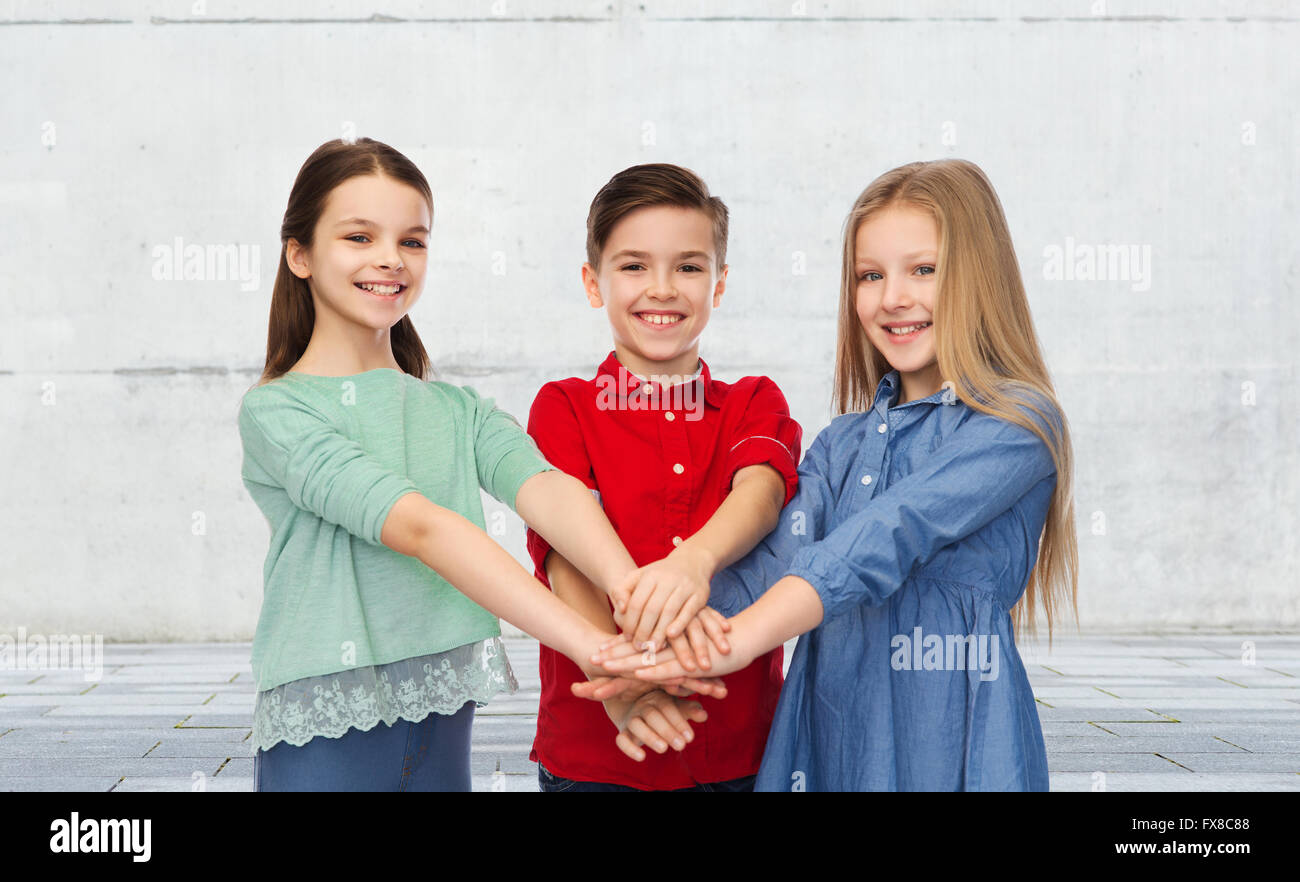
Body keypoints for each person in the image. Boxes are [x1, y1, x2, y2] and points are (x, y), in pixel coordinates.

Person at [238, 138, 723, 791]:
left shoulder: (456, 409)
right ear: (299, 254)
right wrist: (597, 648)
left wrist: (628, 592)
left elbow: (548, 489)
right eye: (359, 237)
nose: (391, 259)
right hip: (327, 730)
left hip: (441, 713)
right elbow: (423, 531)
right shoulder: (278, 412)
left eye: (413, 241)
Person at [584, 158, 1079, 791]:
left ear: (981, 279)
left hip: (949, 733)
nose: (893, 296)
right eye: (869, 275)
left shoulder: (1017, 424)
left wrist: (731, 645)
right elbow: (773, 559)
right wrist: (657, 643)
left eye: (923, 270)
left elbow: (884, 536)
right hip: (832, 730)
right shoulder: (840, 443)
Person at [525, 163, 803, 791]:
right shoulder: (563, 406)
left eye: (688, 266)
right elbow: (563, 554)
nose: (663, 288)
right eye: (633, 266)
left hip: (738, 744)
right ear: (593, 283)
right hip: (595, 746)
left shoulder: (753, 401)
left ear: (719, 283)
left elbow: (760, 490)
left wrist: (693, 563)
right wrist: (619, 685)